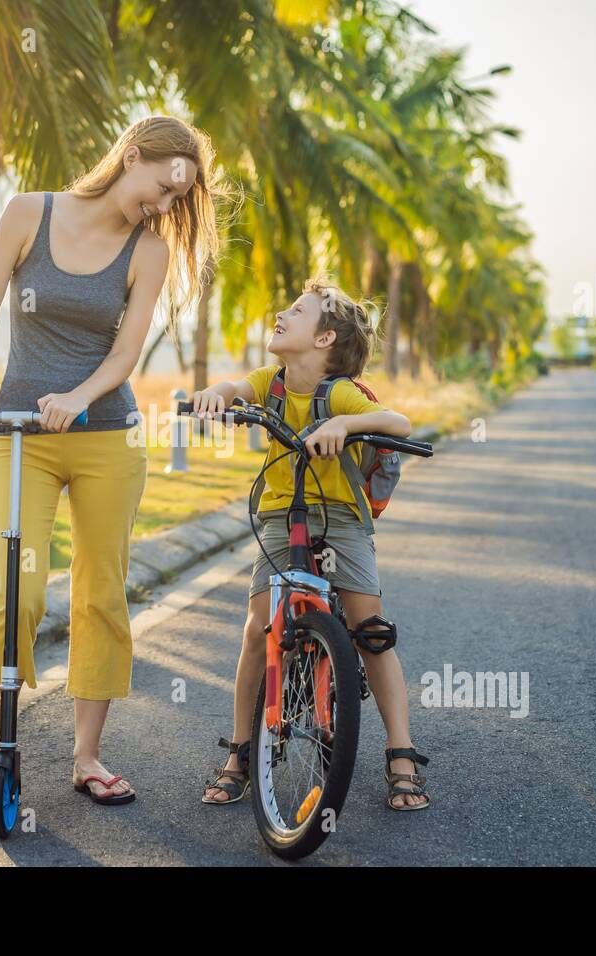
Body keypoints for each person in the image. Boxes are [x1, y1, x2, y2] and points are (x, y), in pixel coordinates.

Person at [0, 116, 225, 805]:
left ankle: (88, 757)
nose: (163, 207)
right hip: (20, 436)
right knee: (17, 586)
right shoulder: (27, 214)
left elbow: (126, 352)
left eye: (175, 202)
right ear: (131, 157)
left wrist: (77, 396)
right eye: (162, 188)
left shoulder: (148, 249)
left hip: (109, 437)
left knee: (102, 595)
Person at [188, 277, 432, 811]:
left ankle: (402, 754)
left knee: (370, 632)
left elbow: (398, 421)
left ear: (324, 340)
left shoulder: (336, 391)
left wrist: (345, 423)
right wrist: (216, 395)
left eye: (297, 311)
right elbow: (237, 389)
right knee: (259, 628)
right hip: (280, 513)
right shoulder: (271, 382)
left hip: (341, 516)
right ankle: (240, 751)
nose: (282, 313)